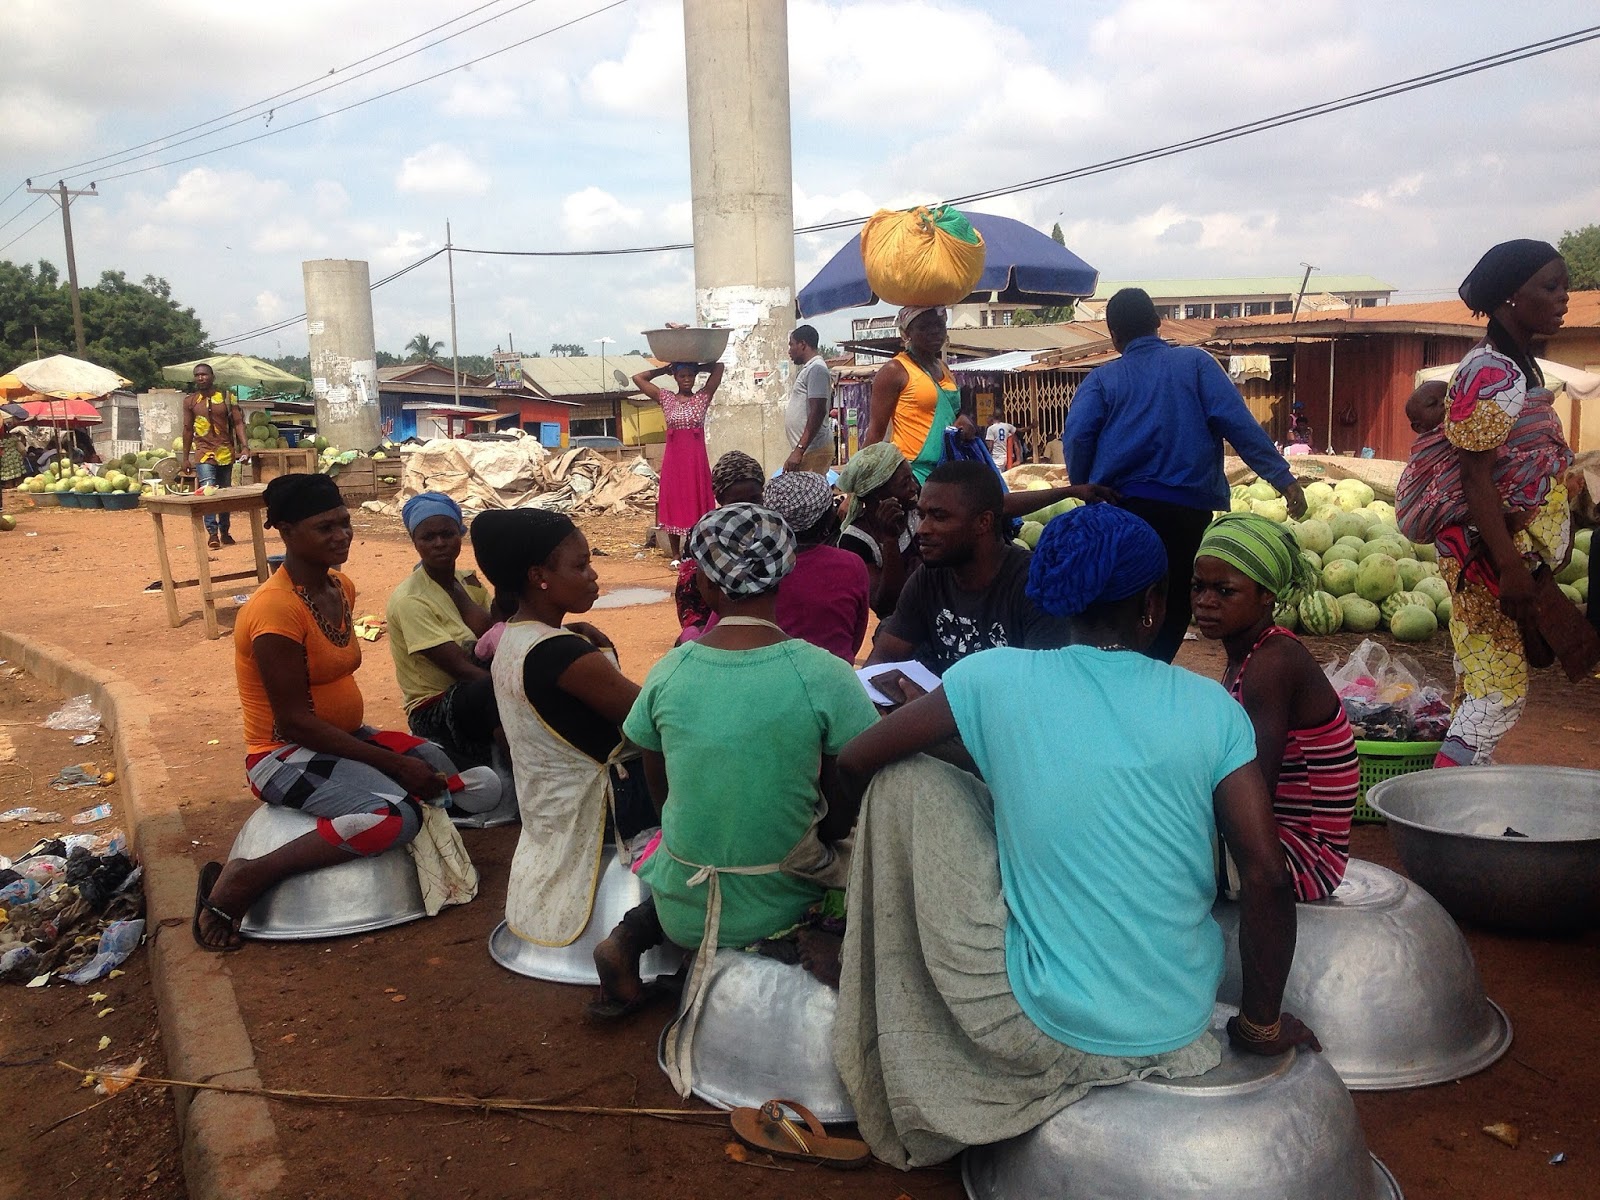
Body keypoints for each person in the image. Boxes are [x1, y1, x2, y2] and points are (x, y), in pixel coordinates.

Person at [833, 503, 1315, 1169]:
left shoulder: (992, 678)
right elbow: (1266, 874)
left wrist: (833, 862)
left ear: (1052, 597)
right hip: (1173, 1019)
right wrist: (1260, 1024)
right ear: (1153, 607)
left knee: (904, 779)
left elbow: (855, 760)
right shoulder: (1210, 706)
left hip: (1039, 1020)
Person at [591, 503, 878, 1037]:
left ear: (703, 583)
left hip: (683, 906)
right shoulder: (824, 674)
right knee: (861, 854)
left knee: (677, 840)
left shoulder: (670, 670)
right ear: (785, 574)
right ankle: (780, 944)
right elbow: (849, 791)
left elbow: (661, 789)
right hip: (778, 904)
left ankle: (631, 937)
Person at [193, 474, 463, 951]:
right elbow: (294, 723)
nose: (342, 536)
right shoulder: (274, 611)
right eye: (325, 528)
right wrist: (394, 765)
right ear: (286, 531)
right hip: (282, 755)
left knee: (439, 765)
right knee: (393, 817)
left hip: (343, 738)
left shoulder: (341, 587)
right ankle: (248, 877)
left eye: (344, 522)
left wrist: (400, 761)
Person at [1397, 240, 1577, 767]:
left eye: (1564, 286)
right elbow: (1476, 476)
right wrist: (1510, 567)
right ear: (1508, 297)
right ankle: (1443, 798)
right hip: (1489, 558)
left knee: (1480, 682)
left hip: (1499, 554)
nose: (1564, 298)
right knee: (1498, 694)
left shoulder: (1518, 366)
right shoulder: (1494, 371)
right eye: (1551, 286)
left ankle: (1461, 791)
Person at [469, 507, 656, 996]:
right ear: (539, 577)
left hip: (547, 809)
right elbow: (650, 721)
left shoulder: (514, 637)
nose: (593, 575)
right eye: (580, 565)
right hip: (602, 811)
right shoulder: (564, 654)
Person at [1065, 288, 1307, 663]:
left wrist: (1084, 487)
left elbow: (1078, 438)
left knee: (1124, 598)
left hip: (1119, 510)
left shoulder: (1102, 380)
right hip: (1186, 514)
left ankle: (1123, 674)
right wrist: (1283, 479)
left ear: (1114, 335)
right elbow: (1240, 425)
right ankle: (1154, 670)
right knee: (1174, 600)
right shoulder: (1196, 364)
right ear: (1157, 323)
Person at [1191, 513, 1358, 902]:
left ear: (1267, 595)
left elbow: (1254, 790)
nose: (1205, 602)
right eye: (1198, 587)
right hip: (1271, 837)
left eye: (1225, 591)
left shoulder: (1272, 662)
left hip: (1300, 858)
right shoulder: (1248, 654)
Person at [865, 460, 1072, 677]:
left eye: (939, 516)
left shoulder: (1037, 585)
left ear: (984, 522)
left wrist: (939, 698)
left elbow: (1043, 684)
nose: (922, 529)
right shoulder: (928, 579)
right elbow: (881, 660)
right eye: (922, 515)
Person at [386, 492, 499, 782]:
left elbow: (494, 634)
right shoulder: (411, 600)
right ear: (415, 542)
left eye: (448, 534)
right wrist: (517, 685)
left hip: (473, 688)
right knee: (498, 692)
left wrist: (458, 591)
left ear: (460, 535)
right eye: (428, 537)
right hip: (434, 706)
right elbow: (460, 668)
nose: (439, 543)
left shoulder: (465, 581)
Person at [744, 470, 869, 662]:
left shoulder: (753, 566)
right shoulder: (852, 565)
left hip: (770, 672)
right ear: (827, 519)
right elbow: (855, 638)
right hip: (834, 672)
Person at [863, 306, 977, 484]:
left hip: (947, 471)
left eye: (939, 325)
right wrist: (859, 482)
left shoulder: (944, 368)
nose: (935, 331)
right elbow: (875, 432)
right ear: (907, 333)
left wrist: (965, 420)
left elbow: (953, 413)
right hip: (911, 475)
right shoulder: (894, 370)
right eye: (924, 327)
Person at [633, 359, 725, 563]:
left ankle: (698, 550)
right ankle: (676, 555)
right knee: (673, 500)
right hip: (674, 461)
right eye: (682, 376)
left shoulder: (702, 397)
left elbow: (719, 368)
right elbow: (638, 378)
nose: (687, 380)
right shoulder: (666, 398)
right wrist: (664, 370)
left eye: (690, 376)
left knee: (697, 499)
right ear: (675, 377)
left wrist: (697, 367)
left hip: (695, 461)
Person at [675, 450, 765, 642]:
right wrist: (698, 632)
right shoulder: (704, 533)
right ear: (720, 500)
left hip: (766, 626)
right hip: (715, 629)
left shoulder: (772, 529)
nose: (746, 509)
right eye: (736, 502)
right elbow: (688, 595)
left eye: (754, 500)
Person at [834, 442, 923, 618]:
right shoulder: (855, 540)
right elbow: (884, 605)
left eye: (912, 478)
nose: (914, 487)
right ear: (878, 494)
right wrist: (890, 540)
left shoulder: (918, 513)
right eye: (905, 483)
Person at [181, 362, 248, 550]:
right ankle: (212, 533)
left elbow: (238, 423)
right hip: (203, 452)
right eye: (197, 375)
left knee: (224, 493)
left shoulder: (226, 397)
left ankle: (225, 531)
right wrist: (185, 458)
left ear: (212, 377)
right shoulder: (190, 401)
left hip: (225, 451)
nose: (200, 378)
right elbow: (187, 429)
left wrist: (245, 447)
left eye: (204, 374)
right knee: (208, 490)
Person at [783, 325, 835, 474]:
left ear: (803, 344)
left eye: (791, 344)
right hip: (809, 450)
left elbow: (818, 411)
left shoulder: (817, 369)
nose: (789, 351)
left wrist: (800, 449)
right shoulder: (810, 369)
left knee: (809, 489)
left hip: (813, 449)